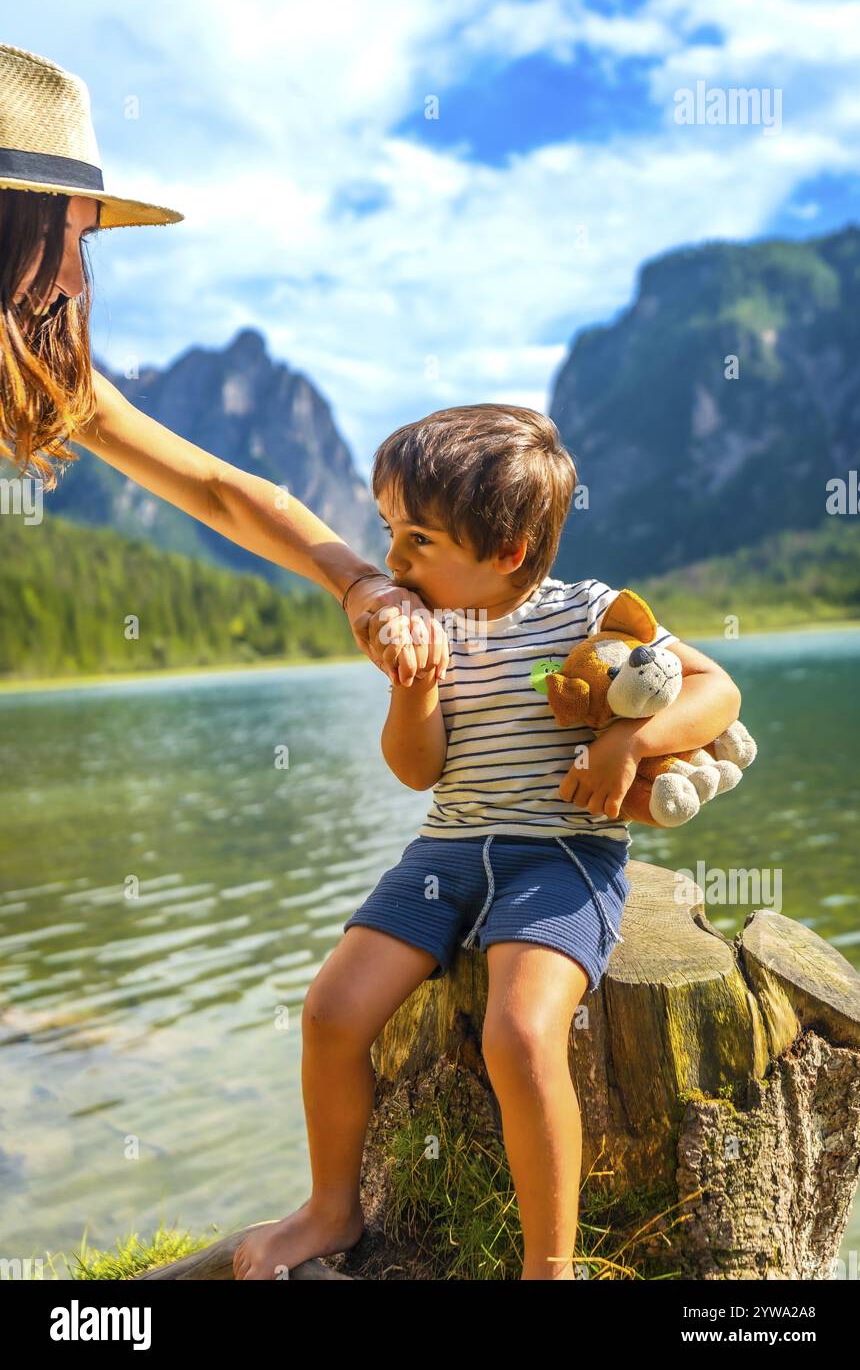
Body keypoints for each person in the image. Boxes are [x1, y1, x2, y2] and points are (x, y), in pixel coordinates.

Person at [232, 403, 743, 1281]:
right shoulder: (426, 627)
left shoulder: (593, 616)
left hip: (564, 855)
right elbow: (416, 771)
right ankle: (330, 1207)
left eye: (418, 540)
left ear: (506, 551)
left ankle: (550, 1267)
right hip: (446, 851)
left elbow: (717, 688)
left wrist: (627, 740)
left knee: (518, 1032)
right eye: (389, 531)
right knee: (329, 1013)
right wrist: (414, 690)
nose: (392, 563)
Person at [0, 42, 445, 685]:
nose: (73, 279)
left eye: (83, 241)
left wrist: (360, 585)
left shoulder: (41, 376)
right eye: (56, 236)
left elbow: (212, 488)